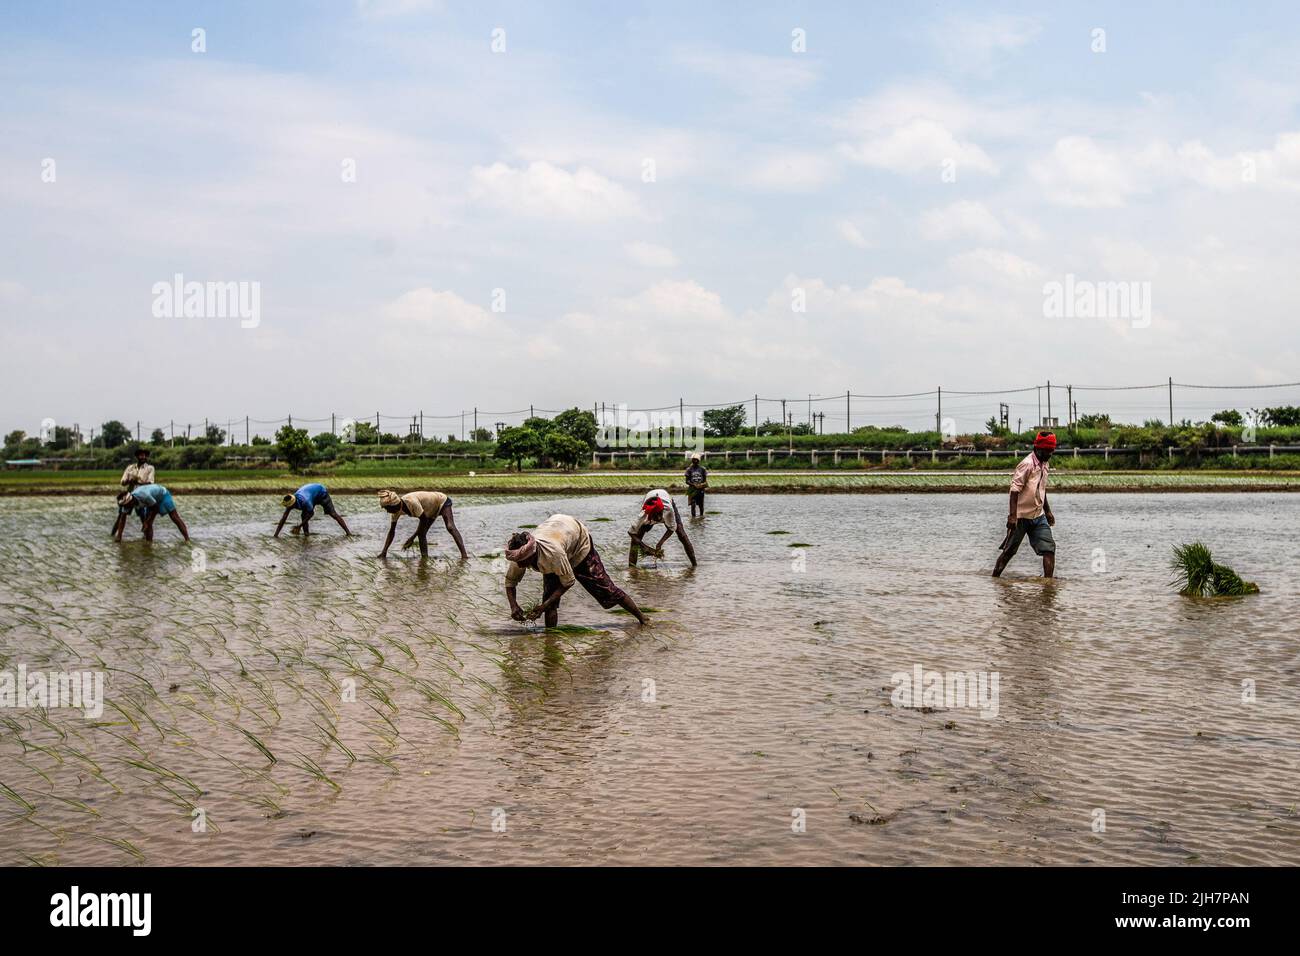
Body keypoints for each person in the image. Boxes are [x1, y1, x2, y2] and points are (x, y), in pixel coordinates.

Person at [504, 514, 648, 627]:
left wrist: (544, 605)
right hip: (558, 530)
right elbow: (510, 582)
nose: (521, 566)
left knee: (605, 588)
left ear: (532, 554)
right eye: (518, 562)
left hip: (578, 542)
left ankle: (642, 618)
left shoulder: (552, 554)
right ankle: (551, 640)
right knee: (549, 599)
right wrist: (514, 606)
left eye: (523, 562)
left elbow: (568, 581)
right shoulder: (519, 555)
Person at [993, 432, 1056, 578]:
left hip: (1038, 516)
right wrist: (1012, 516)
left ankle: (1048, 585)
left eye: (1051, 451)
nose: (1050, 454)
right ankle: (994, 579)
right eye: (1047, 451)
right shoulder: (1027, 464)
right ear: (1038, 449)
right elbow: (1014, 490)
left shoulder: (1044, 464)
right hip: (1020, 517)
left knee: (1049, 549)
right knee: (1009, 552)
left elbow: (1041, 489)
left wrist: (1048, 511)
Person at [376, 489, 469, 559]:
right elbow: (391, 531)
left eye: (387, 509)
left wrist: (412, 538)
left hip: (441, 501)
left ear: (394, 506)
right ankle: (425, 558)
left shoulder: (412, 502)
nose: (388, 512)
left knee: (450, 527)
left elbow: (424, 520)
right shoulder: (395, 512)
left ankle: (464, 556)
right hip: (429, 510)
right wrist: (384, 552)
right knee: (422, 534)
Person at [628, 488, 697, 567]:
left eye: (659, 515)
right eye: (655, 516)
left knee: (681, 533)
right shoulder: (643, 515)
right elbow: (631, 532)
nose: (658, 519)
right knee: (635, 541)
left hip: (666, 499)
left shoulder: (668, 510)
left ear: (662, 511)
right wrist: (643, 546)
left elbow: (671, 529)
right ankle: (632, 569)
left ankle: (694, 566)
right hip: (649, 503)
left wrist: (660, 543)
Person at [115, 483, 190, 542]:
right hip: (151, 501)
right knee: (148, 525)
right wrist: (119, 536)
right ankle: (149, 543)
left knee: (174, 517)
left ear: (131, 502)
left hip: (162, 494)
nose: (127, 508)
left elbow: (155, 508)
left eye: (127, 506)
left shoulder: (144, 495)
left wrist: (148, 521)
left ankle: (187, 539)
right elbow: (122, 519)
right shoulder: (126, 504)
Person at [274, 482, 351, 537]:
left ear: (294, 503)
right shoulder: (291, 502)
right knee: (303, 516)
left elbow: (311, 513)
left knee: (333, 514)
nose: (289, 508)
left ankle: (348, 533)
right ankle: (306, 535)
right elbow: (284, 518)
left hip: (321, 493)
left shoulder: (305, 501)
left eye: (290, 506)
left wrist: (299, 526)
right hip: (311, 495)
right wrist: (276, 535)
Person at [112, 446, 156, 538]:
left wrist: (138, 481)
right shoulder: (130, 468)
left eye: (144, 455)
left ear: (146, 457)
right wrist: (129, 481)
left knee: (143, 516)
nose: (143, 457)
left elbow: (151, 483)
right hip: (130, 494)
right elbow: (122, 482)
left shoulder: (150, 468)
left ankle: (146, 536)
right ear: (137, 457)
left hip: (142, 495)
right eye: (141, 455)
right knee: (121, 515)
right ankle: (115, 535)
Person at [684, 453, 708, 518]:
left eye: (696, 460)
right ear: (692, 460)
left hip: (700, 489)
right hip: (692, 489)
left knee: (701, 505)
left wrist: (702, 485)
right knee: (693, 504)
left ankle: (701, 516)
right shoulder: (689, 469)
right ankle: (693, 517)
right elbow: (687, 481)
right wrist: (694, 485)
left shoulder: (702, 469)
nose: (695, 461)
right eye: (694, 460)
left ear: (698, 461)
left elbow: (705, 480)